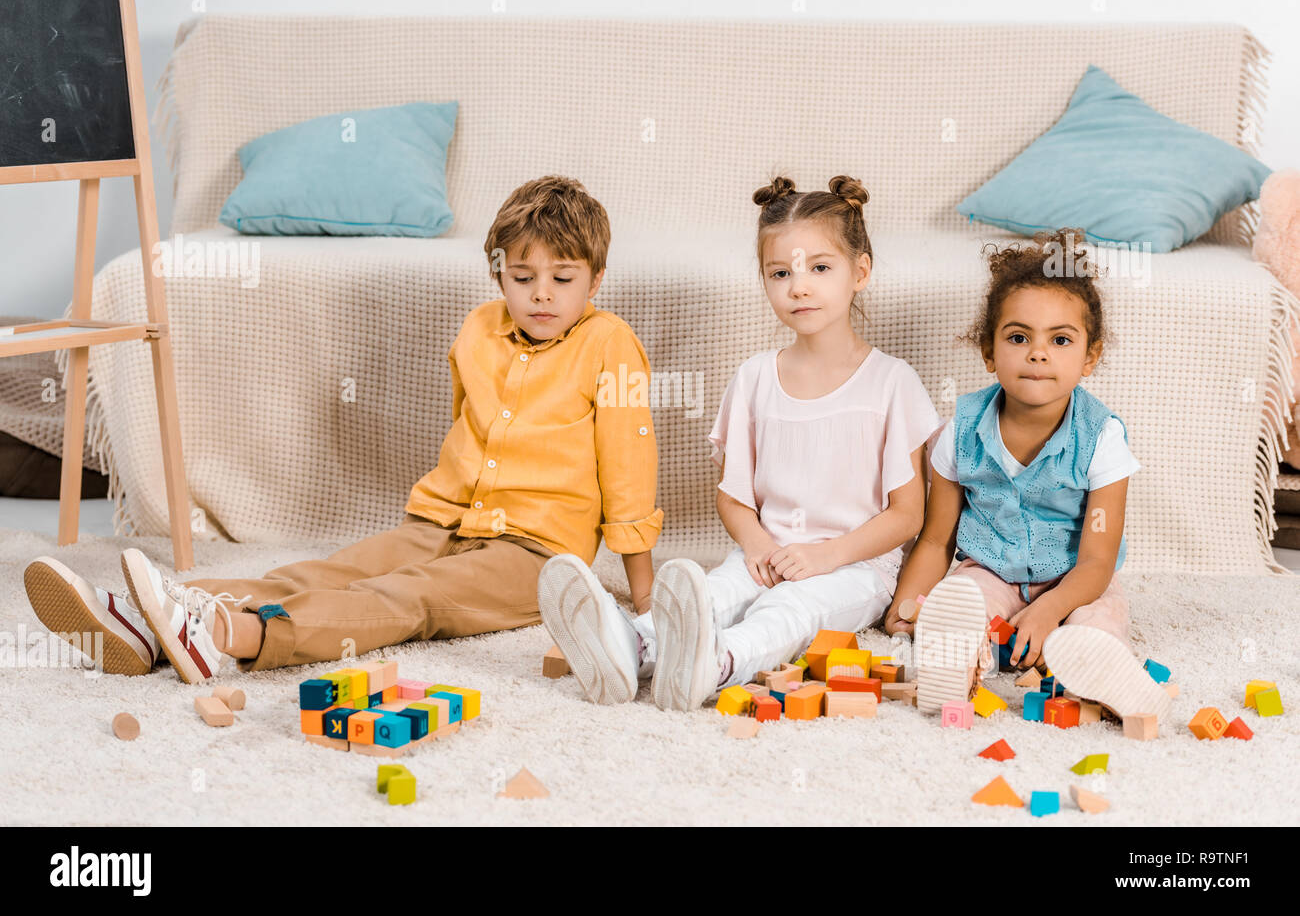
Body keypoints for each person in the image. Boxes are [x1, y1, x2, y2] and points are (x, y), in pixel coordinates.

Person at [25, 175, 663, 682]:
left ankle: (236, 634)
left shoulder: (611, 345)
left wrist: (645, 605)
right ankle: (155, 613)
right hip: (442, 521)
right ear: (499, 275)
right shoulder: (478, 329)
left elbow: (629, 476)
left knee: (407, 598)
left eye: (563, 279)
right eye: (523, 279)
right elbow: (468, 432)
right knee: (328, 572)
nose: (542, 295)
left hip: (535, 552)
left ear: (595, 279)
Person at [538, 175, 941, 709]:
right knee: (715, 591)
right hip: (765, 549)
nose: (799, 286)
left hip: (855, 569)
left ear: (859, 272)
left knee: (791, 611)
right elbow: (734, 496)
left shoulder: (892, 383)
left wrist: (827, 556)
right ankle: (631, 645)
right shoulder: (754, 378)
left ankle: (716, 663)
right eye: (781, 273)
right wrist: (757, 545)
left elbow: (907, 515)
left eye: (820, 268)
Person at [885, 227, 1171, 723]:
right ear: (989, 352)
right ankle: (952, 664)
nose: (1038, 353)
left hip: (1076, 577)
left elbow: (1098, 561)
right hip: (991, 569)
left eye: (1060, 340)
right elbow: (936, 541)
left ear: (1090, 357)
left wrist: (1048, 609)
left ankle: (1103, 672)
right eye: (1019, 337)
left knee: (1096, 622)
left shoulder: (1102, 439)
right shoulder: (961, 432)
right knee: (960, 604)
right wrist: (906, 605)